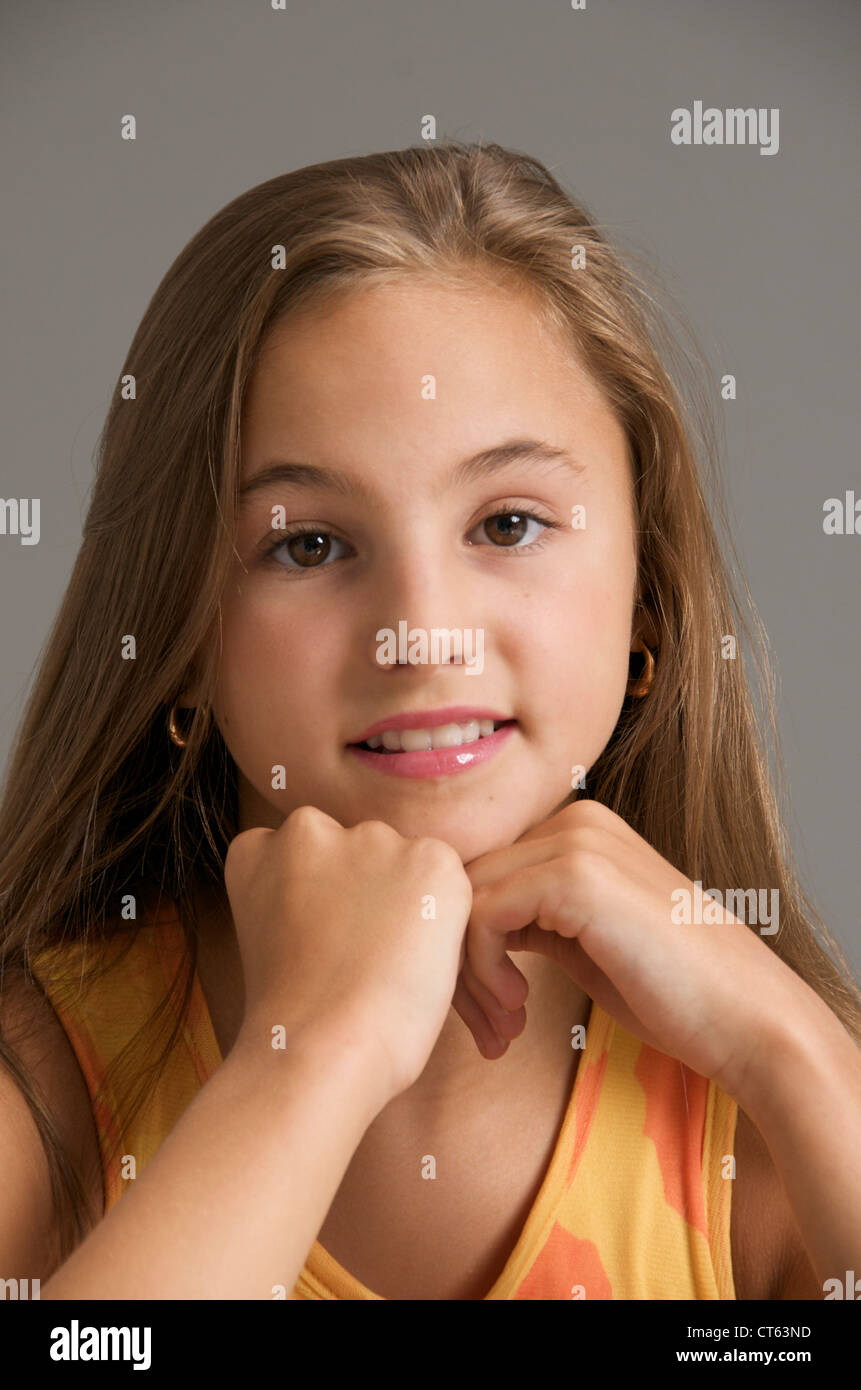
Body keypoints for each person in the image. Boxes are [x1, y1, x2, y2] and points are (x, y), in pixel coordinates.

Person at [1, 141, 859, 1301]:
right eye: (309, 544)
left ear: (649, 593)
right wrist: (310, 1064)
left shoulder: (761, 1130)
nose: (424, 631)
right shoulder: (41, 1089)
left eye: (507, 524)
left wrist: (798, 1055)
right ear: (183, 639)